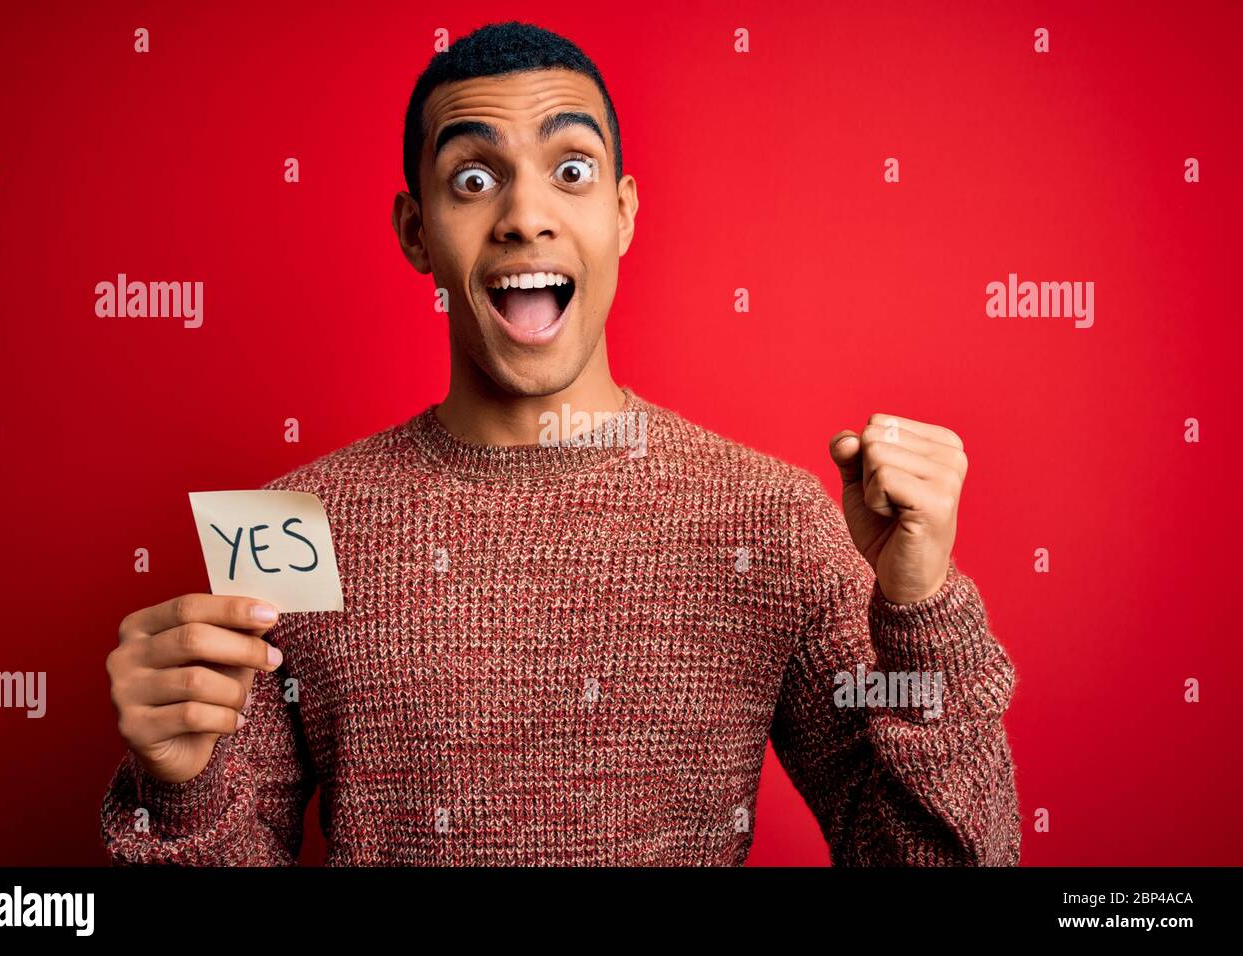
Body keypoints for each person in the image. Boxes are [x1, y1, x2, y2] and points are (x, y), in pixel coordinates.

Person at [100, 20, 1020, 866]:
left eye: (570, 171)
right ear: (417, 231)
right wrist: (179, 792)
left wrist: (922, 612)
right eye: (473, 178)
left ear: (623, 212)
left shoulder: (767, 520)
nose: (525, 216)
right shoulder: (289, 531)